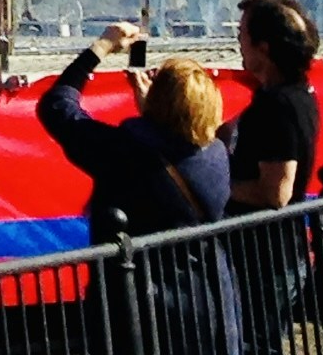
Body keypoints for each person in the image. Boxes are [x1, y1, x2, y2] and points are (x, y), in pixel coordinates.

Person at [37, 22, 229, 235]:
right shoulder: (216, 152)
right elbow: (171, 140)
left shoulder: (126, 153)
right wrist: (152, 114)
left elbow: (57, 106)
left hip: (139, 266)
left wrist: (103, 45)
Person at [226, 0, 321, 210]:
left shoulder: (278, 107)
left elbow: (276, 193)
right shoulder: (285, 95)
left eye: (242, 34)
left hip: (264, 240)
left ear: (264, 47)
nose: (239, 43)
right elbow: (221, 135)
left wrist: (215, 187)